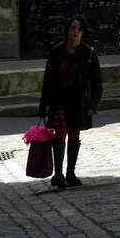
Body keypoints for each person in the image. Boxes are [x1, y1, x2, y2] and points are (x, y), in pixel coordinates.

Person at [39, 15, 102, 189]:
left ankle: (71, 172)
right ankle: (58, 174)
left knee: (75, 135)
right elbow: (48, 80)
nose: (75, 31)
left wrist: (93, 105)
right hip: (59, 100)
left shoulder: (88, 53)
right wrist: (43, 105)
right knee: (59, 135)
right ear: (67, 30)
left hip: (78, 102)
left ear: (83, 32)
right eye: (73, 28)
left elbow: (97, 82)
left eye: (79, 29)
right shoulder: (56, 52)